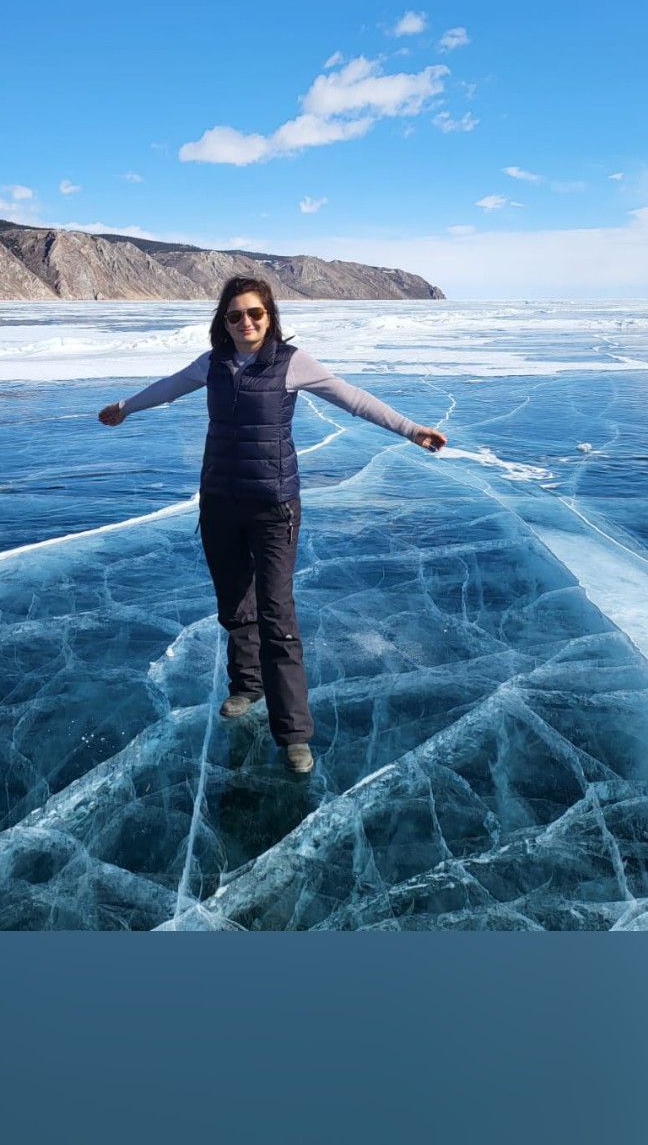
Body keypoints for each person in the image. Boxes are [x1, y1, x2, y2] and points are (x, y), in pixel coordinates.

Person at [99, 276, 446, 776]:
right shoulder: (213, 364)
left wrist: (411, 429)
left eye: (255, 313)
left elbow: (351, 397)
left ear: (270, 316)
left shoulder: (291, 361)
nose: (246, 322)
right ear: (224, 322)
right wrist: (126, 407)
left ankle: (294, 734)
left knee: (277, 614)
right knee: (234, 604)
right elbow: (169, 387)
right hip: (220, 502)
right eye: (235, 315)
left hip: (273, 505)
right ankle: (247, 686)